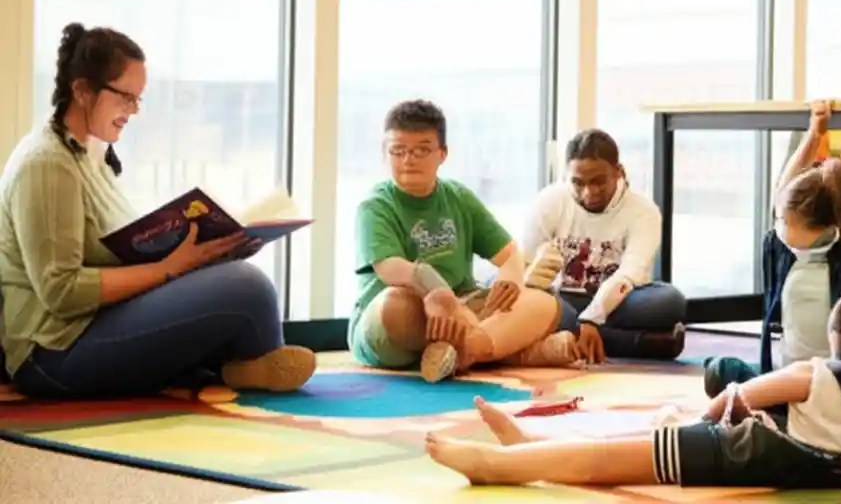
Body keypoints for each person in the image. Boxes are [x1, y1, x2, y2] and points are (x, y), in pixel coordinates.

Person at [0, 23, 316, 399]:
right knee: (246, 286)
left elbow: (119, 255)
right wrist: (170, 268)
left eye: (138, 99)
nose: (133, 110)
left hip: (97, 323)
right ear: (82, 90)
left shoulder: (92, 155)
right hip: (54, 351)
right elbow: (61, 291)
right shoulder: (48, 165)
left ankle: (237, 366)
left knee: (242, 281)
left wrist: (208, 252)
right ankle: (238, 366)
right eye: (125, 97)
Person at [426, 290, 841, 487]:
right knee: (616, 452)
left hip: (741, 451)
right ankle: (530, 444)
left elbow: (737, 397)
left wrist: (695, 427)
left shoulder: (814, 374)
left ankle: (496, 466)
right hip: (813, 471)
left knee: (603, 460)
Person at [348, 100, 576, 383]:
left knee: (542, 302)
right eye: (398, 150)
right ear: (385, 153)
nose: (408, 159)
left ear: (442, 154)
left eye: (421, 150)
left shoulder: (458, 197)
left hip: (462, 308)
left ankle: (468, 350)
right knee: (396, 306)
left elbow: (509, 255)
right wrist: (439, 295)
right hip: (406, 316)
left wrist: (510, 283)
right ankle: (512, 352)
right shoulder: (374, 206)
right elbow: (391, 269)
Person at [521, 129, 686, 362]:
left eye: (598, 181)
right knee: (498, 284)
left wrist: (592, 318)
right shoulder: (549, 201)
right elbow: (524, 266)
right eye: (578, 183)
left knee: (669, 301)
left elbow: (630, 274)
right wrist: (531, 277)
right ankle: (634, 342)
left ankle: (570, 335)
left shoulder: (643, 211)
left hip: (618, 301)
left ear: (619, 172)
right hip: (562, 299)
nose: (588, 193)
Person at [756, 101, 841, 371]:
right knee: (722, 369)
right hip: (784, 375)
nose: (778, 227)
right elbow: (783, 190)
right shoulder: (785, 252)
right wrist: (814, 135)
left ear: (816, 224)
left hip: (837, 378)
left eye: (784, 221)